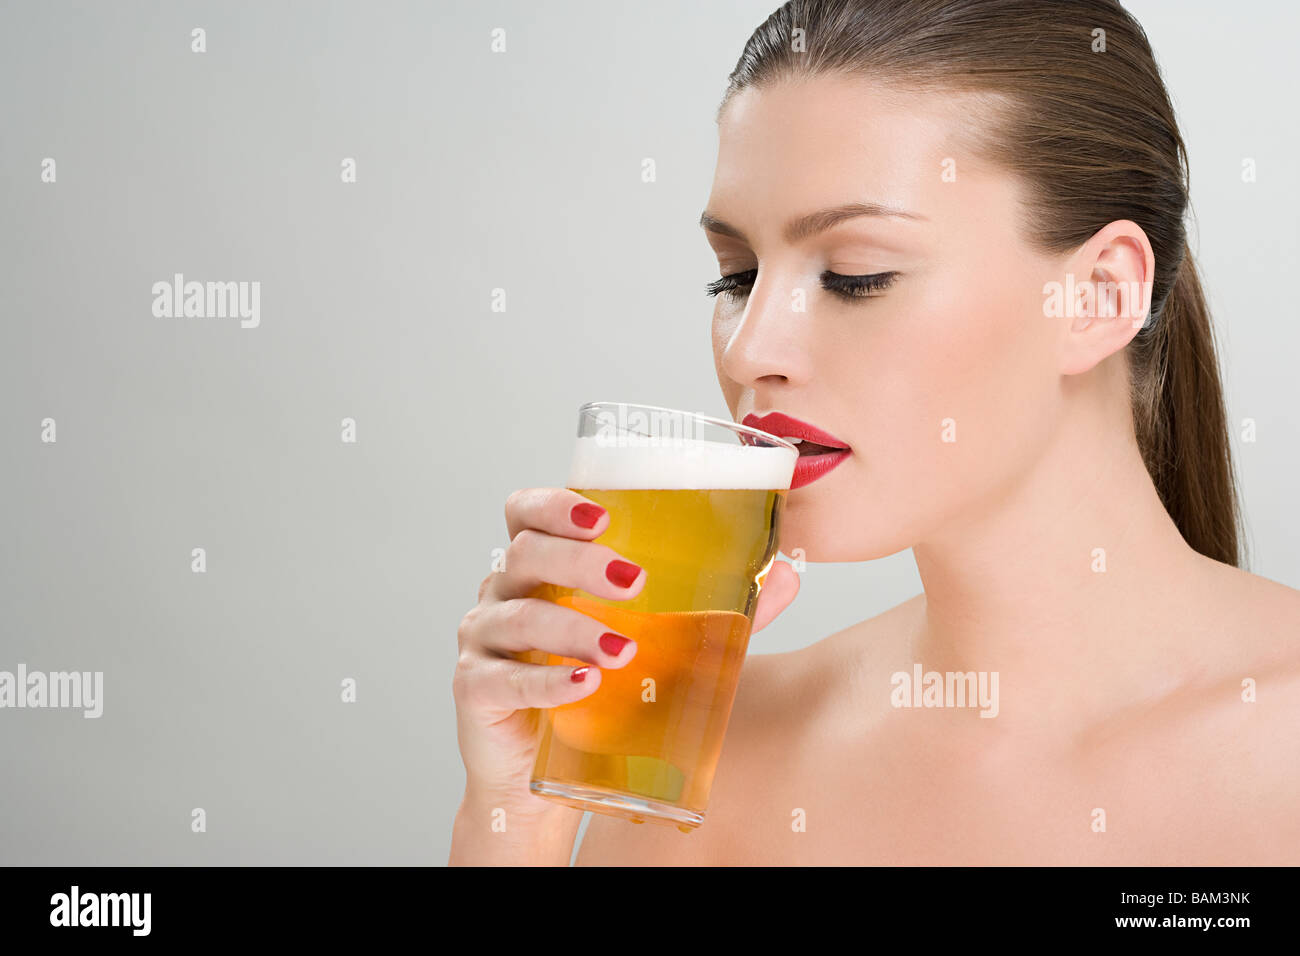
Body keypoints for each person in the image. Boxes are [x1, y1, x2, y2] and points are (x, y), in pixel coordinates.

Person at [450, 0, 1300, 865]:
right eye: (736, 277)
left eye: (856, 276)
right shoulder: (698, 760)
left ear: (1098, 297)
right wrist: (514, 825)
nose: (753, 351)